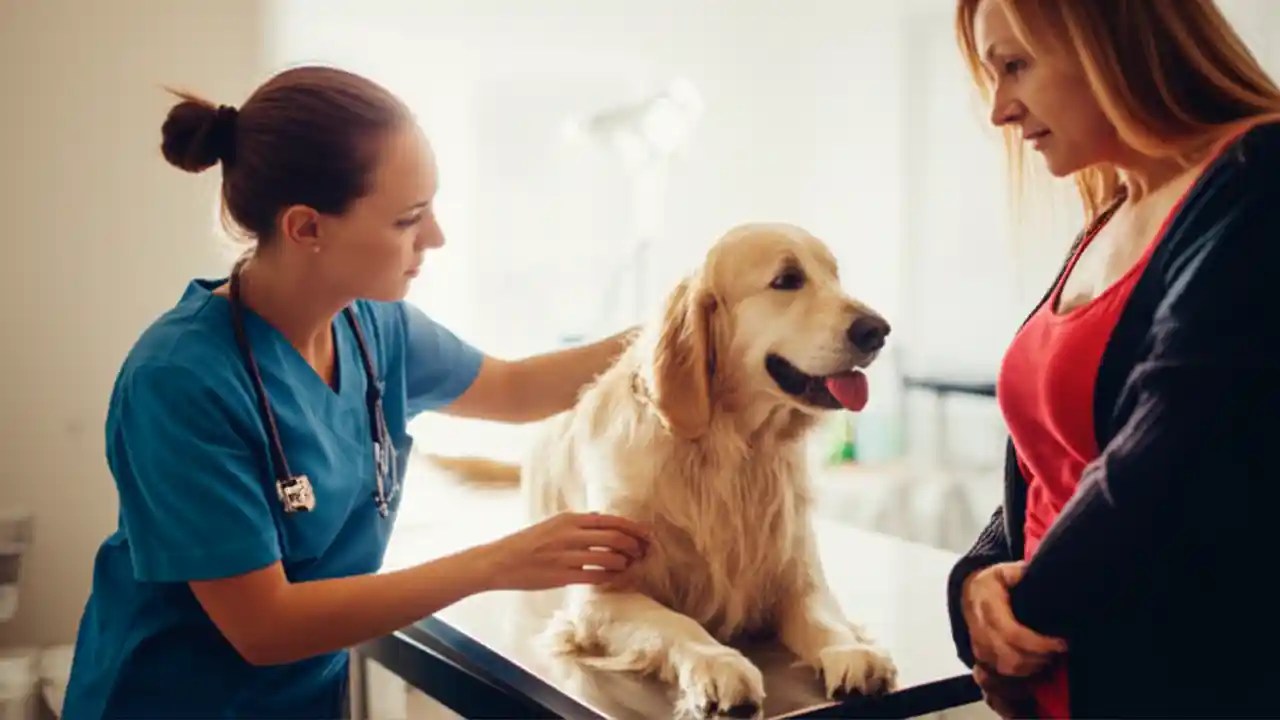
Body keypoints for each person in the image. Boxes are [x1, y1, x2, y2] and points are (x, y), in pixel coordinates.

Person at [61, 65, 652, 719]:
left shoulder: (374, 328)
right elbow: (267, 628)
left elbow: (516, 390)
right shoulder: (178, 382)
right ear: (307, 228)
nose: (435, 238)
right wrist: (498, 562)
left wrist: (682, 327)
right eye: (408, 219)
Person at [945, 0, 1280, 717]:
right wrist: (974, 584)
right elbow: (1046, 463)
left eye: (1014, 65)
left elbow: (1159, 466)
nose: (1001, 109)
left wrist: (1016, 627)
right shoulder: (1110, 213)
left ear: (1108, 36)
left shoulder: (1260, 180)